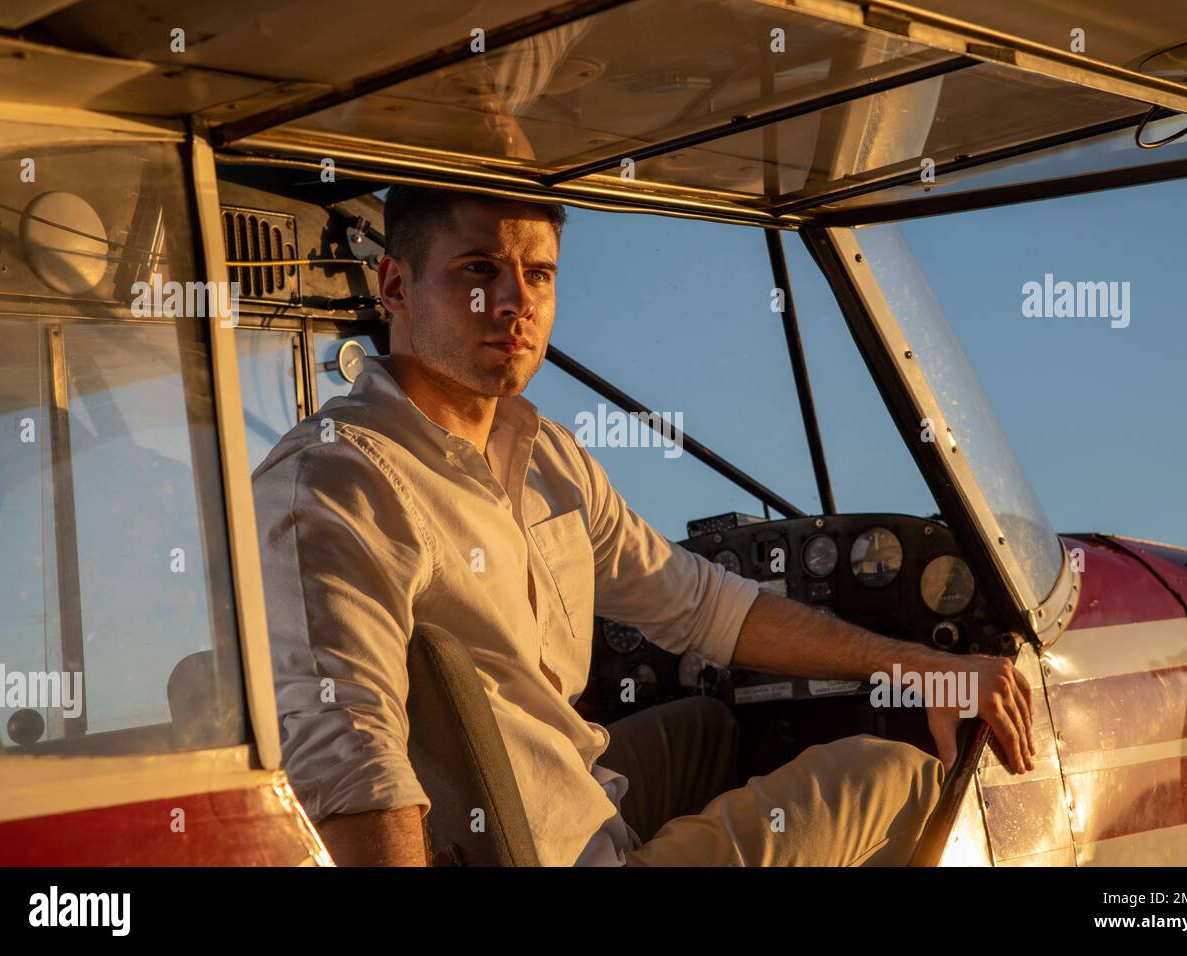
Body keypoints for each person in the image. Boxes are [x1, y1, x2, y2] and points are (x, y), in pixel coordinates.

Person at [251, 185, 1036, 866]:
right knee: (895, 777)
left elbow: (702, 607)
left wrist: (913, 665)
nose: (517, 302)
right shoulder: (334, 481)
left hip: (566, 790)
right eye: (478, 270)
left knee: (712, 727)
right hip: (548, 850)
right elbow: (354, 765)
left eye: (540, 275)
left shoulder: (547, 457)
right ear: (394, 284)